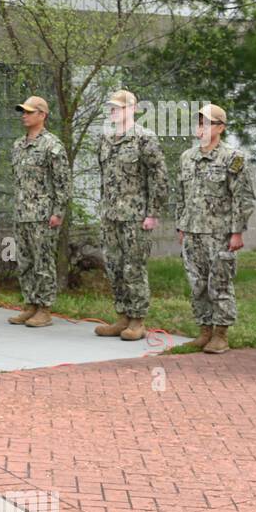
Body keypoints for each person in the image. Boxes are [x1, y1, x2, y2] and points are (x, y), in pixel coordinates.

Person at [174, 104, 255, 354]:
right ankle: (204, 330)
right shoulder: (187, 157)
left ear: (220, 127)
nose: (201, 127)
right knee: (197, 283)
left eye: (207, 122)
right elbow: (181, 194)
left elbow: (243, 197)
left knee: (219, 283)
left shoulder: (233, 157)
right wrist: (181, 224)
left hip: (219, 233)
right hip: (192, 231)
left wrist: (237, 232)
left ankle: (221, 333)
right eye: (198, 122)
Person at [95, 89, 169, 341]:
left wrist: (153, 213)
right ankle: (122, 316)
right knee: (114, 265)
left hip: (135, 216)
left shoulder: (144, 138)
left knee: (133, 267)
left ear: (133, 109)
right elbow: (104, 178)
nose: (114, 111)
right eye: (111, 107)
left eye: (119, 107)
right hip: (110, 215)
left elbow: (158, 176)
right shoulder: (106, 139)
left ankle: (137, 320)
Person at [8, 96, 70, 328]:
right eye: (22, 111)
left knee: (43, 261)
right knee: (24, 261)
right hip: (22, 213)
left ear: (42, 115)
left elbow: (63, 182)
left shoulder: (52, 146)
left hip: (43, 215)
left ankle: (44, 308)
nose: (24, 115)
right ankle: (30, 304)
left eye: (29, 112)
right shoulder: (18, 145)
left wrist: (58, 212)